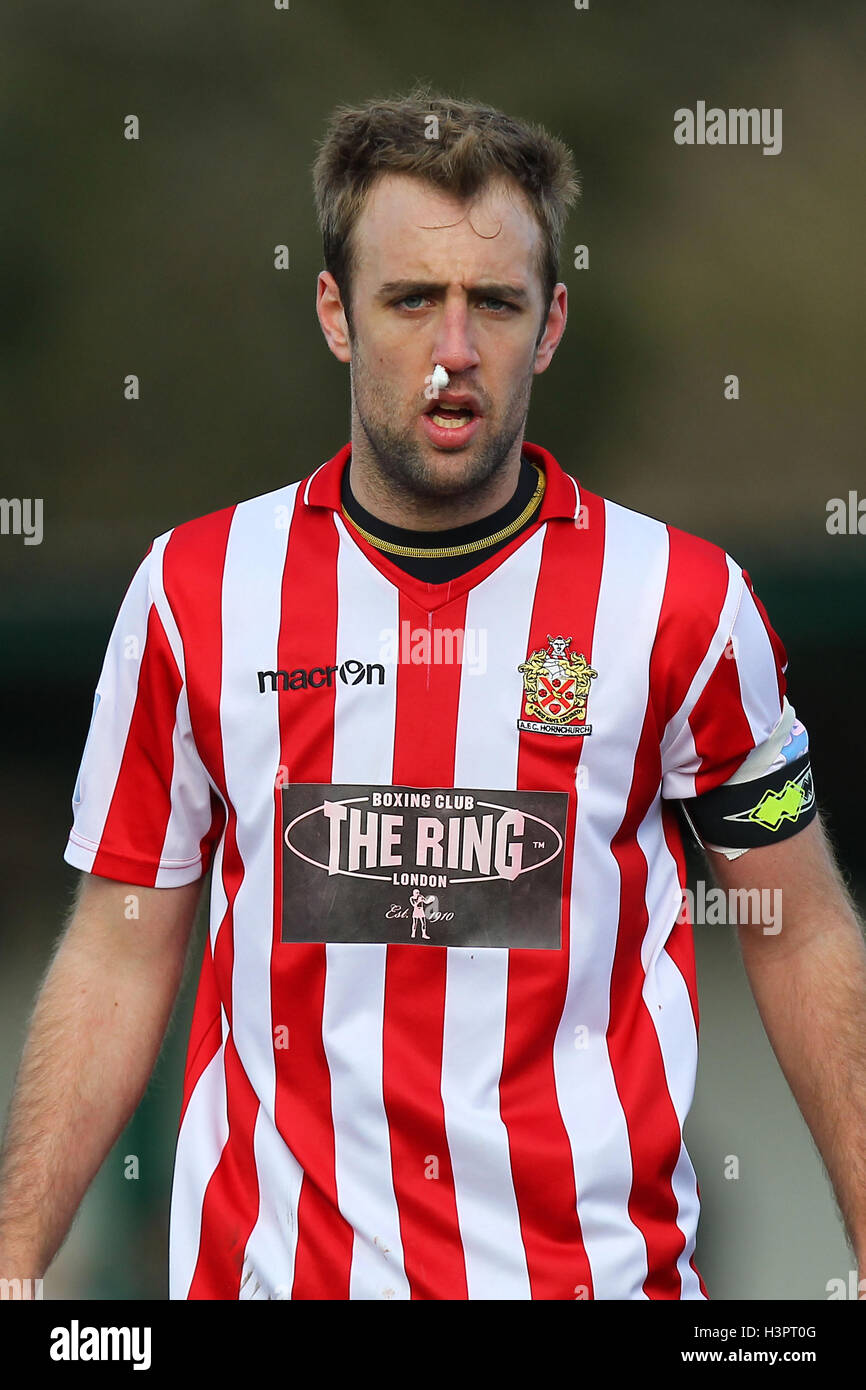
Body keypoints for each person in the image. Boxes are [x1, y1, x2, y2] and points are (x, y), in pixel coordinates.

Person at [1, 86, 865, 1302]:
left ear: (549, 322)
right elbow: (120, 947)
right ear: (335, 311)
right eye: (411, 299)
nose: (453, 350)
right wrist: (13, 1257)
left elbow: (799, 928)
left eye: (494, 304)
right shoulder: (194, 593)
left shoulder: (683, 603)